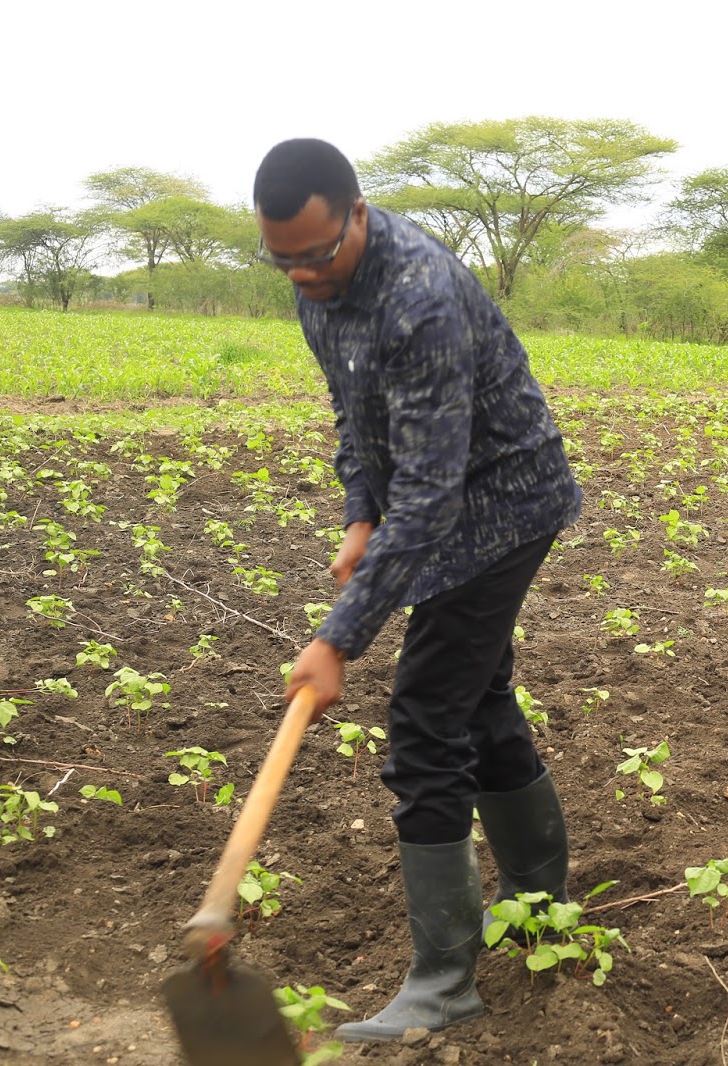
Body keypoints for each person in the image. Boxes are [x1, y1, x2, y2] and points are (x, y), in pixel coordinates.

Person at [254, 138, 583, 1042]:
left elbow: (434, 505)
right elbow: (353, 412)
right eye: (283, 260)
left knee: (426, 720)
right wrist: (360, 510)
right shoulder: (313, 279)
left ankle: (444, 980)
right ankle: (538, 905)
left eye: (318, 256)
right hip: (440, 506)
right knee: (475, 700)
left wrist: (337, 640)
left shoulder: (420, 299)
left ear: (357, 215)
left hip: (506, 507)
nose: (304, 276)